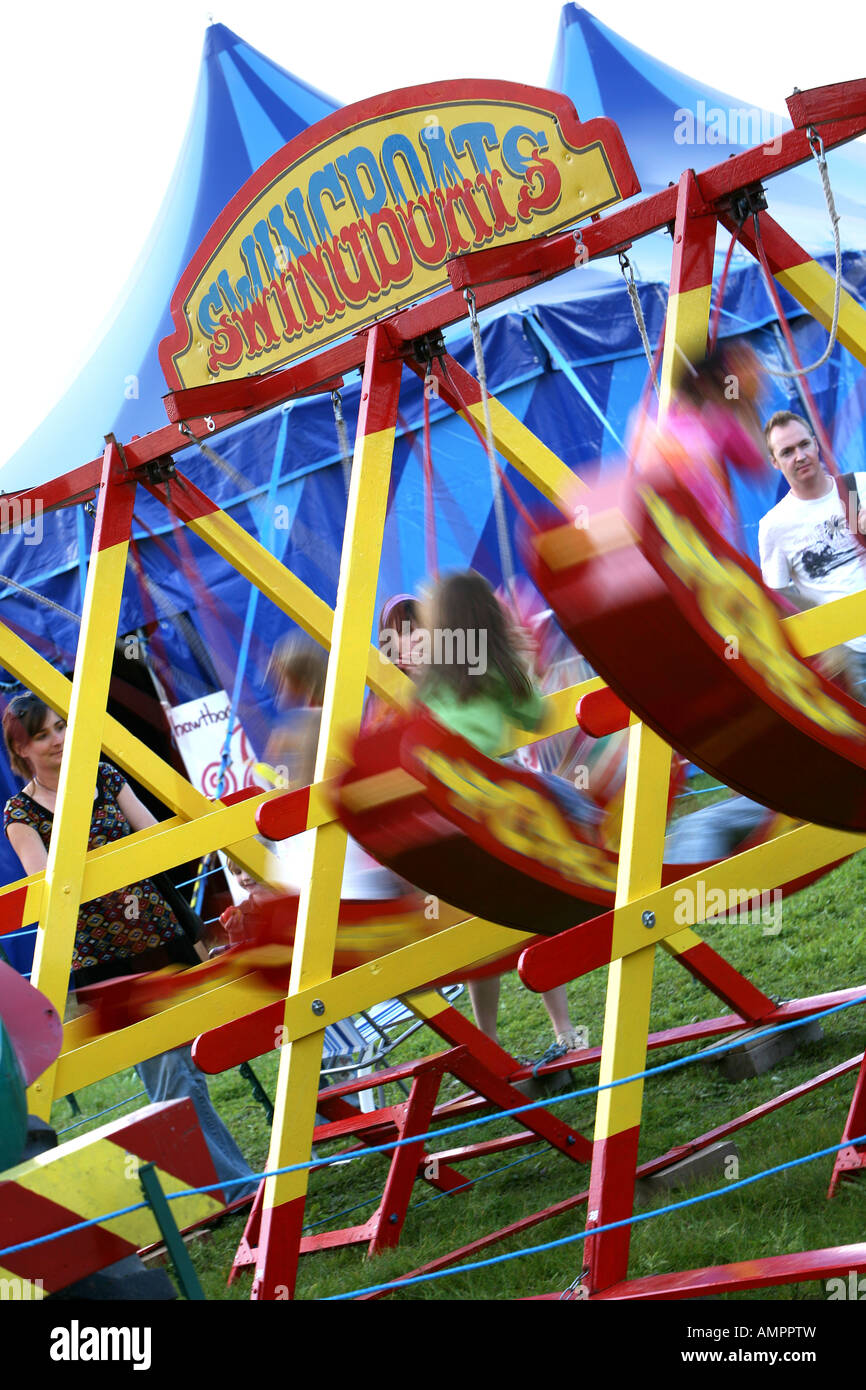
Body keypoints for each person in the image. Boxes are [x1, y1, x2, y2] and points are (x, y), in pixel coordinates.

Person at [2, 692, 258, 1202]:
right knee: (169, 1075)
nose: (57, 740)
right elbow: (49, 887)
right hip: (103, 962)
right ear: (21, 748)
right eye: (42, 734)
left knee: (201, 1056)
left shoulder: (105, 775)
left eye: (60, 727)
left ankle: (221, 1186)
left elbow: (154, 839)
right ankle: (230, 1192)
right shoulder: (19, 812)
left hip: (162, 937)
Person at [415, 571, 590, 1053]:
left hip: (455, 811)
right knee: (571, 816)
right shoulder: (499, 666)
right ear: (488, 615)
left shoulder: (430, 681)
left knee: (484, 930)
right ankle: (564, 1031)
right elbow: (537, 718)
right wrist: (528, 663)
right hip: (503, 797)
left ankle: (488, 1042)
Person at [758, 410, 866, 702]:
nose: (800, 455)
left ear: (816, 444)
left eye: (804, 445)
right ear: (775, 462)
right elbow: (779, 601)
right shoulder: (774, 526)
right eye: (787, 451)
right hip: (848, 657)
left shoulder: (858, 487)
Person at [636, 344, 768, 546]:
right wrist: (746, 405)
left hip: (662, 536)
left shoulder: (653, 416)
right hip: (706, 542)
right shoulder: (716, 422)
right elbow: (757, 463)